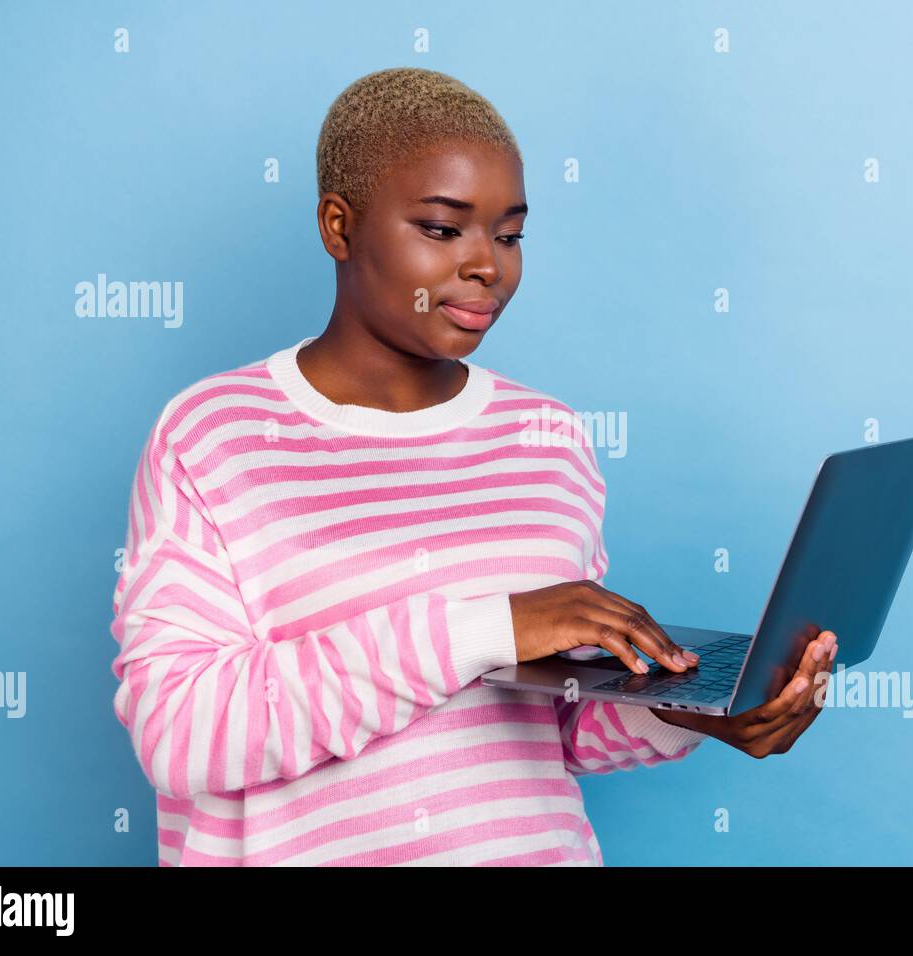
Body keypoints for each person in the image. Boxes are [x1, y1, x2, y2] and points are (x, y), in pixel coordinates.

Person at [109, 66, 835, 867]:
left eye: (511, 233)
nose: (489, 265)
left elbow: (550, 725)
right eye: (443, 229)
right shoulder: (214, 435)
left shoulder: (545, 435)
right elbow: (183, 735)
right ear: (338, 225)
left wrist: (690, 714)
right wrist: (487, 626)